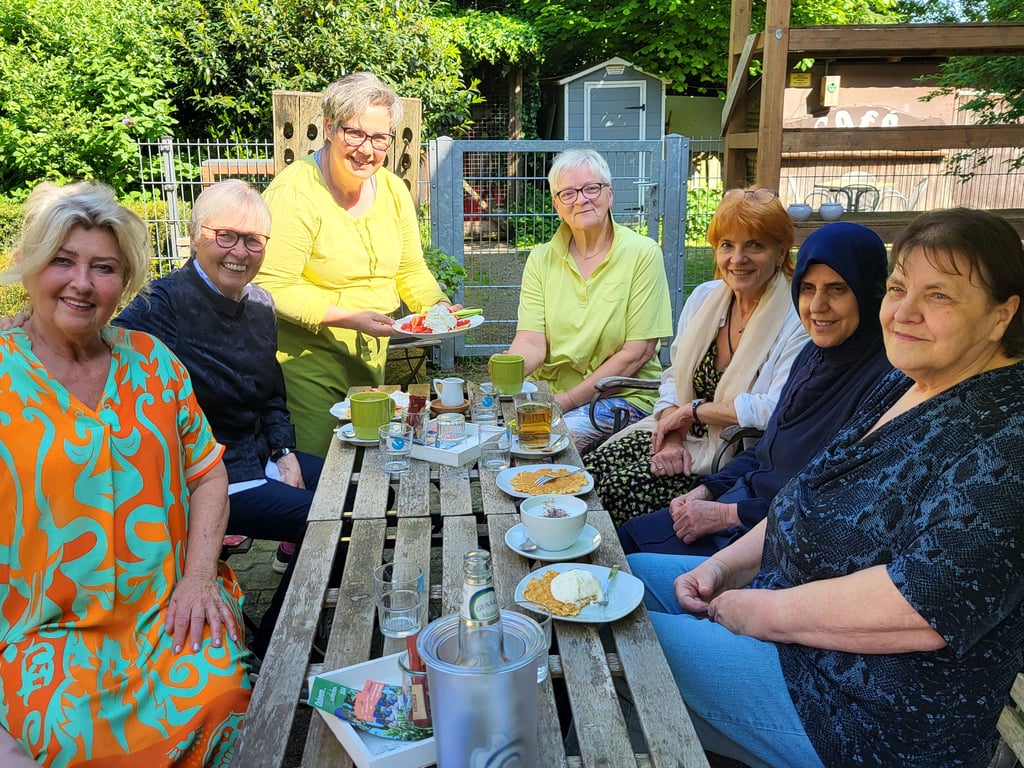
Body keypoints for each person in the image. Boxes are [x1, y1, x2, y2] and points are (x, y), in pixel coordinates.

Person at [628, 207, 1024, 768]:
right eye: (898, 288)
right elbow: (804, 493)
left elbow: (919, 606)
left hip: (860, 705)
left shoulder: (1006, 435)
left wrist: (759, 612)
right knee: (626, 580)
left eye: (939, 296)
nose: (904, 312)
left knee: (617, 640)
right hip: (785, 610)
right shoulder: (901, 384)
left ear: (1001, 314)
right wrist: (721, 569)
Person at [0, 181, 251, 765]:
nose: (82, 283)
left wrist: (198, 580)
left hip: (166, 615)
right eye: (62, 261)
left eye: (104, 268)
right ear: (30, 265)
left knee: (226, 694)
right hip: (42, 636)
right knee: (63, 739)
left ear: (126, 280)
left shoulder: (152, 361)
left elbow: (208, 476)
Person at [115, 180, 321, 652]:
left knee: (355, 489)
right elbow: (95, 341)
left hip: (259, 454)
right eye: (225, 236)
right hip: (208, 476)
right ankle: (279, 642)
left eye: (253, 240)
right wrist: (29, 327)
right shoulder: (160, 304)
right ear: (194, 235)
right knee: (324, 518)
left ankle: (310, 608)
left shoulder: (260, 304)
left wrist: (284, 450)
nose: (239, 252)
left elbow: (272, 390)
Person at [619, 222, 892, 556]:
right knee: (625, 536)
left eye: (837, 289)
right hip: (741, 496)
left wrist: (727, 514)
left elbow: (833, 499)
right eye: (808, 289)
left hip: (776, 540)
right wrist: (706, 490)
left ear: (868, 292)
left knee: (630, 559)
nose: (817, 306)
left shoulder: (883, 381)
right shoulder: (814, 356)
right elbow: (768, 448)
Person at [257, 72, 455, 458]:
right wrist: (349, 318)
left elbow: (410, 269)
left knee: (371, 464)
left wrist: (438, 308)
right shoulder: (295, 193)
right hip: (308, 359)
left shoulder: (393, 190)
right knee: (324, 467)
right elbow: (271, 285)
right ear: (329, 128)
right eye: (355, 133)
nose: (367, 149)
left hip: (370, 356)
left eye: (380, 137)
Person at [586, 186, 809, 525]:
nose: (737, 259)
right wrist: (673, 437)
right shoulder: (705, 298)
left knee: (614, 492)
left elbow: (773, 408)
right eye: (727, 245)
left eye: (755, 245)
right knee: (588, 475)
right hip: (675, 436)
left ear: (780, 252)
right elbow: (673, 377)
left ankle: (612, 559)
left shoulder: (797, 318)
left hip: (727, 458)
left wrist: (692, 413)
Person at [505, 148, 673, 447]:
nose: (581, 199)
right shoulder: (541, 259)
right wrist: (509, 367)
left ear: (610, 194)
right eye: (568, 193)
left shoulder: (642, 254)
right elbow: (531, 341)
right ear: (557, 205)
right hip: (551, 393)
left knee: (547, 441)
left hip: (623, 395)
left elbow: (637, 353)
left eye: (591, 188)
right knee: (498, 435)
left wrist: (567, 401)